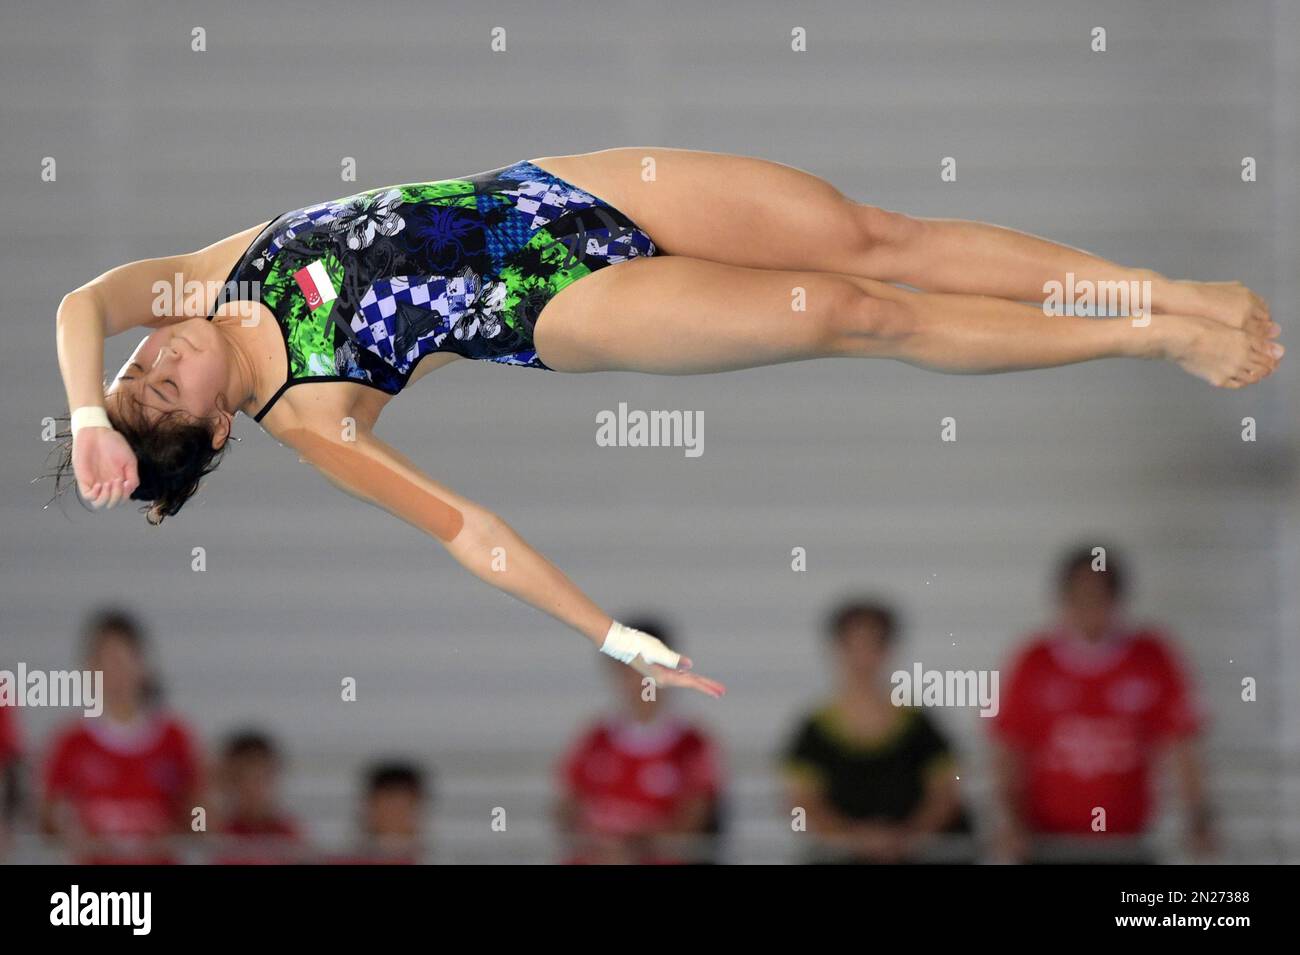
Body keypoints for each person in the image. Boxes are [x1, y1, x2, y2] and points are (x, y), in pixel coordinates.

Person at [52, 148, 1279, 695]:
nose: (155, 357)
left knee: (872, 234)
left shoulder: (203, 277)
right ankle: (1145, 334)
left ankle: (1161, 289)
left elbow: (78, 301)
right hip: (570, 302)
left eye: (140, 366)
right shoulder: (308, 417)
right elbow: (466, 530)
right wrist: (612, 636)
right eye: (160, 395)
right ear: (214, 434)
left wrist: (86, 413)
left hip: (568, 187)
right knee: (861, 311)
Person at [990, 545, 1212, 864]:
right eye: (1079, 598)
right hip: (1047, 845)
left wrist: (1198, 817)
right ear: (1062, 600)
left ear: (1117, 600)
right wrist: (1010, 822)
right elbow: (1008, 750)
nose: (1089, 610)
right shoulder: (1034, 660)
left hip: (1126, 844)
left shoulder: (1152, 657)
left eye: (1099, 598)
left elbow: (1182, 747)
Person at [782, 600, 970, 863]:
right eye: (853, 645)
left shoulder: (920, 726)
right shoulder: (813, 731)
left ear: (889, 650)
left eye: (873, 645)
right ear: (837, 649)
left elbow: (946, 795)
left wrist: (907, 838)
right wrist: (854, 840)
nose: (862, 657)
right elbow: (802, 805)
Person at [41, 609, 204, 864]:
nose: (113, 673)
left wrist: (182, 829)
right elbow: (48, 819)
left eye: (121, 659)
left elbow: (202, 817)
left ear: (141, 665)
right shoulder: (70, 742)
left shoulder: (175, 738)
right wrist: (69, 832)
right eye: (103, 662)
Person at [557, 616, 724, 864]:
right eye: (627, 666)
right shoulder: (594, 740)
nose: (637, 679)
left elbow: (693, 822)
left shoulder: (692, 744)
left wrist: (635, 846)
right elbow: (566, 812)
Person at [213, 730, 303, 865]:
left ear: (274, 776)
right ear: (227, 780)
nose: (252, 788)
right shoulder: (216, 833)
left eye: (260, 778)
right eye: (241, 778)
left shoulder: (289, 836)